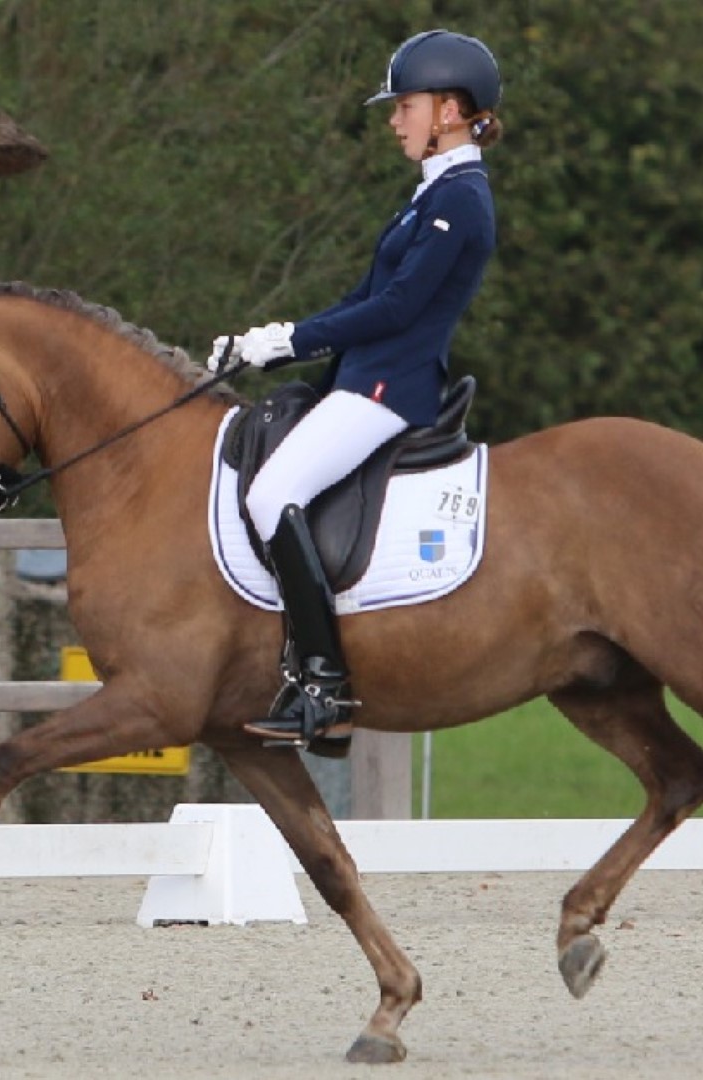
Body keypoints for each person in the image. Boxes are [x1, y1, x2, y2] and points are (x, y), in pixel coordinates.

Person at [209, 28, 503, 751]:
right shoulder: (427, 195)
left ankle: (322, 682)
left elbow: (398, 310)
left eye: (405, 105)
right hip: (358, 378)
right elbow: (362, 295)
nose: (394, 119)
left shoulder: (462, 199)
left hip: (388, 389)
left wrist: (289, 341)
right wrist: (268, 342)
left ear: (450, 111)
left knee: (272, 495)